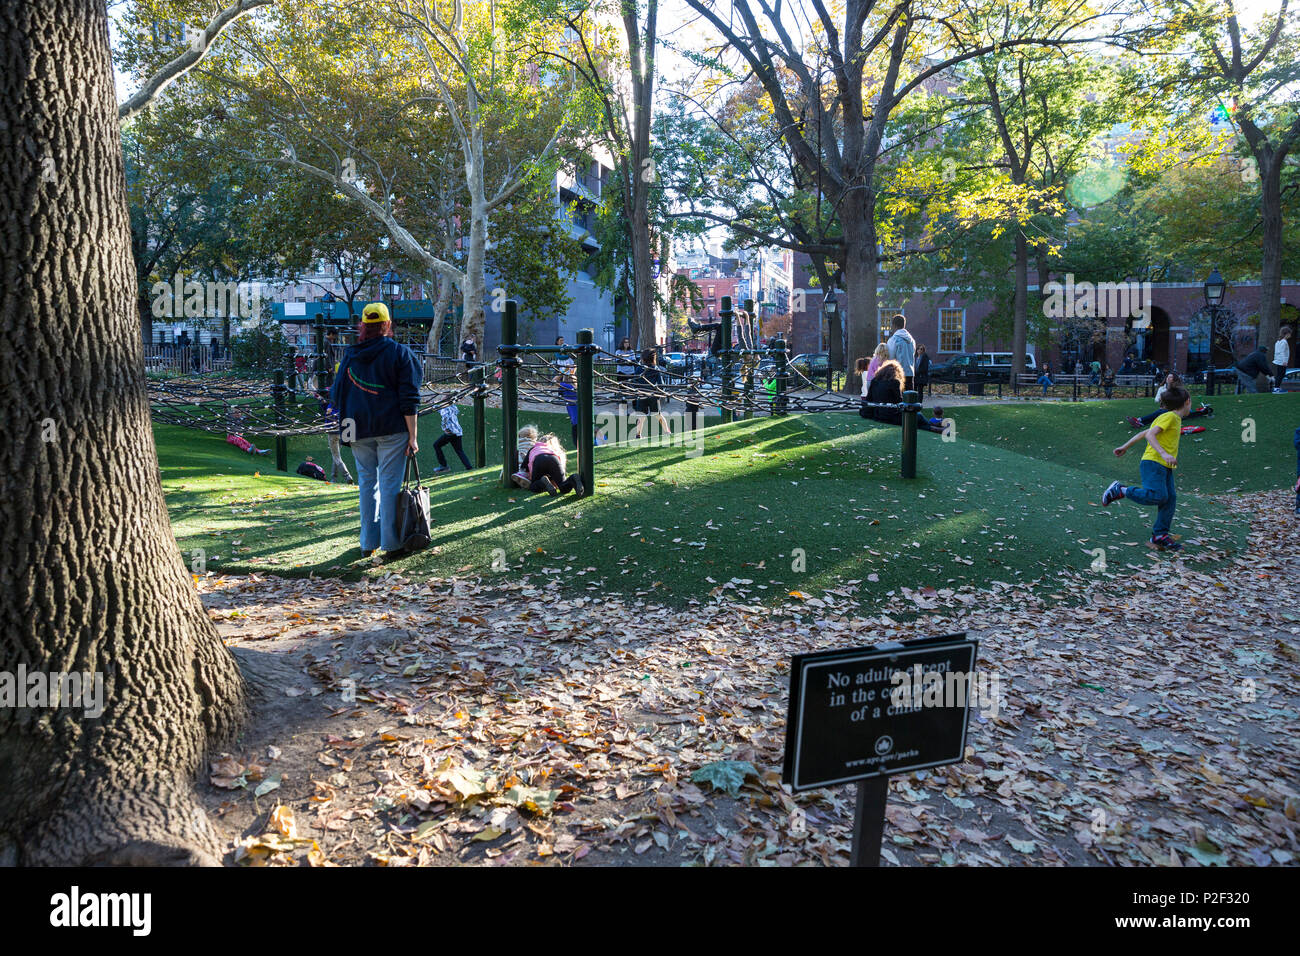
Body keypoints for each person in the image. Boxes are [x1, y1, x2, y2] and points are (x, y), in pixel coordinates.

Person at [329, 302, 422, 560]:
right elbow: (410, 398)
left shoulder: (349, 355)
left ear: (363, 326)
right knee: (389, 484)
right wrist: (413, 436)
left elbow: (336, 394)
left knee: (366, 483)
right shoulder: (400, 353)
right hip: (391, 427)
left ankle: (367, 543)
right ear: (387, 324)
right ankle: (392, 545)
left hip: (355, 428)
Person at [1101, 384, 1193, 551]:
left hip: (1163, 466)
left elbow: (1144, 433)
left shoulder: (1170, 418)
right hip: (1154, 462)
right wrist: (1164, 454)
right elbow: (1150, 435)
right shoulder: (1171, 417)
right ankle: (1121, 490)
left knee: (1169, 498)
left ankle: (1160, 535)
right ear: (1187, 401)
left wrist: (1125, 446)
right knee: (1157, 496)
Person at [859, 360, 942, 432]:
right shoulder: (894, 382)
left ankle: (933, 426)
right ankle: (932, 427)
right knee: (916, 416)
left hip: (878, 415)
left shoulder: (875, 381)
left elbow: (869, 399)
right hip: (891, 415)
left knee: (916, 419)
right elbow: (899, 401)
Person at [514, 430, 584, 496]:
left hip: (539, 459)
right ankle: (573, 478)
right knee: (563, 487)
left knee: (533, 486)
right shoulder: (555, 450)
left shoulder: (534, 448)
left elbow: (524, 467)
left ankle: (543, 482)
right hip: (554, 459)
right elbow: (560, 469)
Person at [1127, 374, 1212, 428]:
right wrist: (1161, 398)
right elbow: (1156, 400)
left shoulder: (1179, 389)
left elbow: (1182, 399)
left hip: (1177, 409)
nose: (1168, 378)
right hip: (1167, 408)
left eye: (1170, 377)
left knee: (1161, 413)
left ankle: (1140, 421)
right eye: (1167, 376)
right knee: (1161, 413)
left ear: (1174, 379)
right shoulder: (1162, 388)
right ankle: (1141, 422)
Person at [633, 348, 671, 440]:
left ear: (643, 359)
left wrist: (636, 391)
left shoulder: (639, 369)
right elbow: (661, 383)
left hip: (642, 395)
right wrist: (660, 393)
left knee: (641, 416)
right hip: (652, 395)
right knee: (658, 415)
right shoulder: (655, 369)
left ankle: (638, 435)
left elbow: (634, 382)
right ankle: (667, 432)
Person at [432, 403, 473, 473]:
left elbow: (445, 417)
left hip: (451, 432)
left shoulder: (445, 409)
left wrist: (444, 428)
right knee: (459, 450)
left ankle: (444, 466)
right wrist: (435, 406)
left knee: (436, 445)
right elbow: (441, 410)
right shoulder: (453, 407)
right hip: (458, 432)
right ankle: (469, 467)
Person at [886, 315, 916, 391]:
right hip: (910, 373)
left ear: (894, 325)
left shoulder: (893, 339)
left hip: (898, 374)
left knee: (898, 400)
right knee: (909, 399)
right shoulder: (912, 340)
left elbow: (890, 357)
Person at [557, 370, 579, 447]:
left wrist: (564, 371)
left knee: (576, 443)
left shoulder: (567, 386)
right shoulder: (577, 387)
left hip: (576, 420)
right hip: (581, 419)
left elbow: (554, 380)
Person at [1274, 327, 1292, 391]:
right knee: (1281, 374)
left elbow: (1277, 351)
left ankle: (1277, 387)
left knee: (1280, 374)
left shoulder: (1278, 341)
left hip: (1279, 360)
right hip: (1282, 361)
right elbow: (1282, 352)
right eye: (1290, 334)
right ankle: (1276, 388)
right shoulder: (1284, 342)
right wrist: (1284, 361)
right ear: (1287, 334)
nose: (1290, 335)